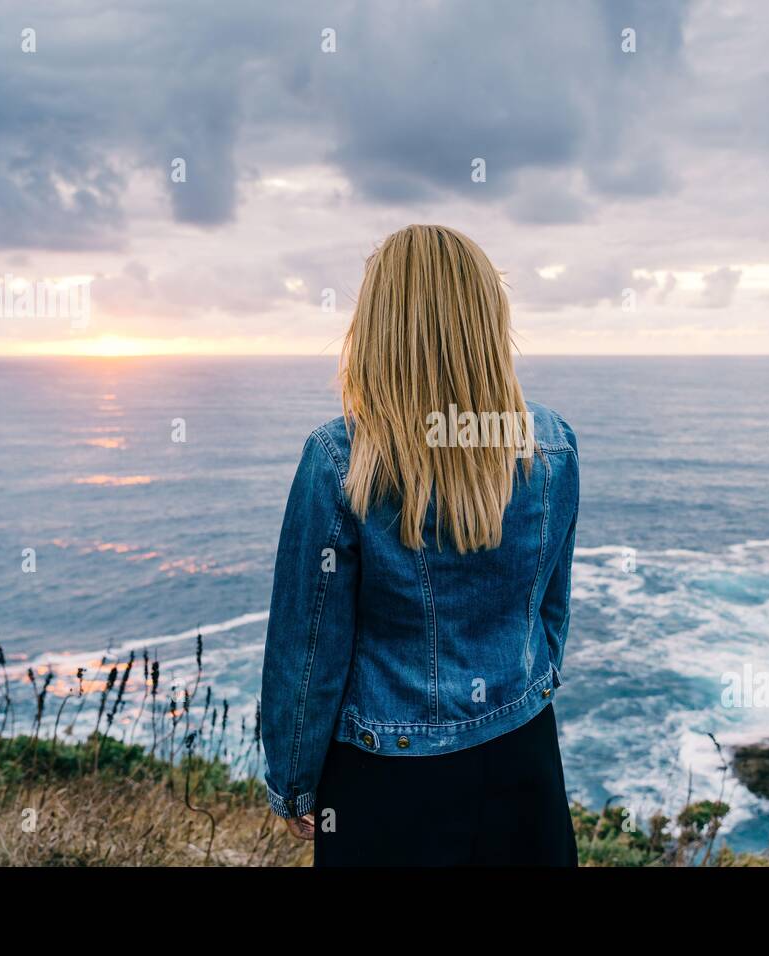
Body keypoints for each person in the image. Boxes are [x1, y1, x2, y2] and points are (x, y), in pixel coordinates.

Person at [260, 224, 580, 866]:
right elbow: (551, 609)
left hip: (384, 781)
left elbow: (309, 646)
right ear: (488, 320)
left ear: (377, 325)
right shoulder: (550, 444)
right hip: (522, 756)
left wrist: (293, 779)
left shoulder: (340, 459)